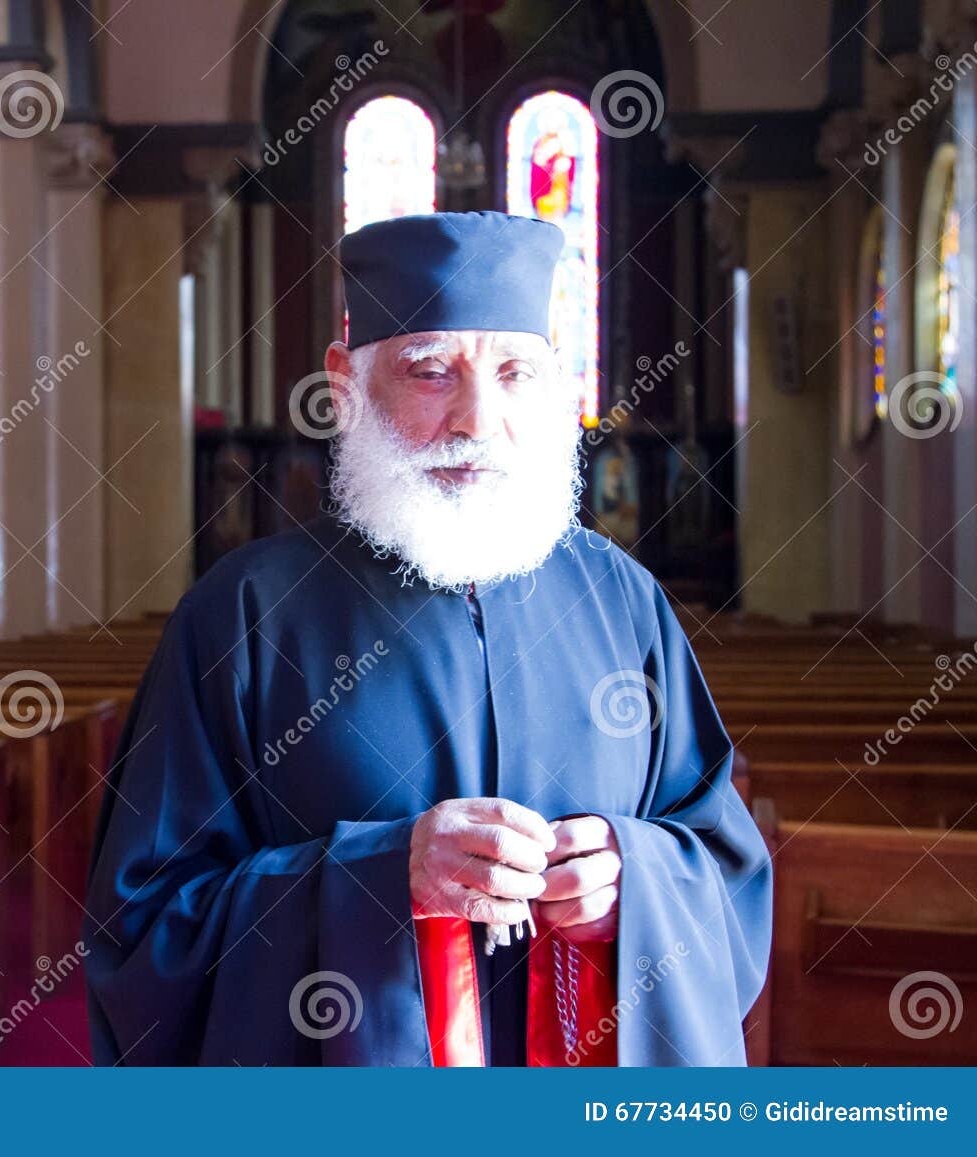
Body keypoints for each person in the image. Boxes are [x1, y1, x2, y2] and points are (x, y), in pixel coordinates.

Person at [81, 211, 771, 1066]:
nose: (476, 419)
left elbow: (724, 867)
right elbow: (144, 936)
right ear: (346, 384)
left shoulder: (623, 602)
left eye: (515, 371)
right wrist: (381, 878)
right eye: (431, 371)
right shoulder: (244, 617)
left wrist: (638, 883)